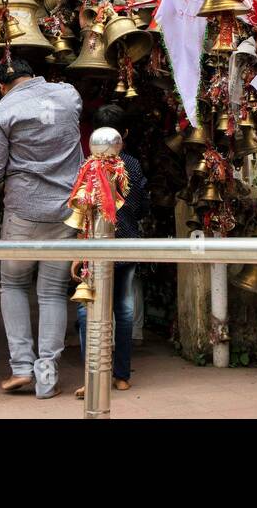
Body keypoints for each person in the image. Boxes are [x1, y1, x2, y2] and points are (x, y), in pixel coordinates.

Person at [0, 58, 84, 399]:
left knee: (13, 285)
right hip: (65, 212)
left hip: (23, 212)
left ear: (1, 85)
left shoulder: (2, 112)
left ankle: (21, 367)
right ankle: (48, 374)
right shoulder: (69, 96)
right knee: (53, 292)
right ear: (32, 73)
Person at [76, 103, 147, 398]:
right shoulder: (132, 164)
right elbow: (141, 206)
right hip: (125, 243)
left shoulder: (86, 165)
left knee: (86, 310)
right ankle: (121, 376)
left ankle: (93, 375)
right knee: (125, 310)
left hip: (92, 246)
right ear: (125, 133)